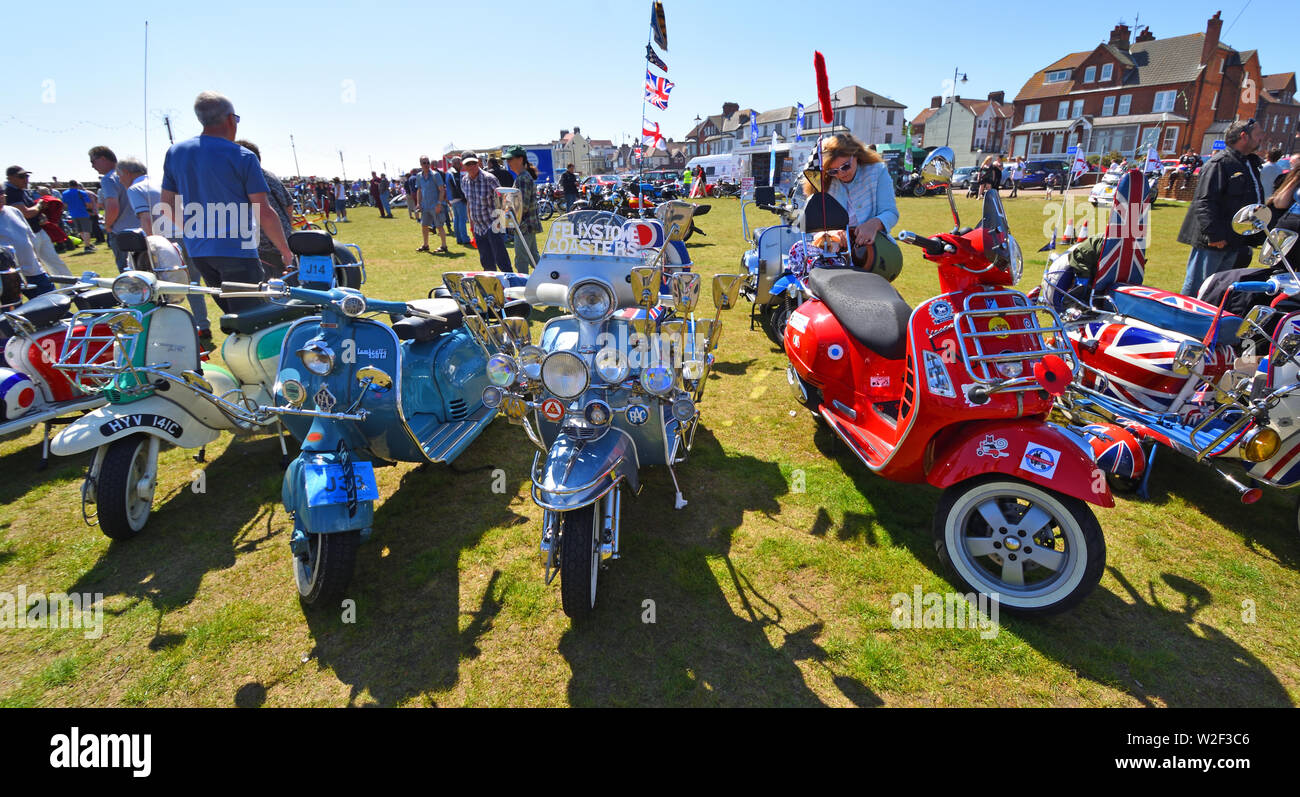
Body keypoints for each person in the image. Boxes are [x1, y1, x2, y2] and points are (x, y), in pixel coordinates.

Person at [159, 91, 292, 313]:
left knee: (232, 315)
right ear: (231, 119)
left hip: (201, 253)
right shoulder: (242, 156)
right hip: (237, 252)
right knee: (253, 318)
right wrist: (286, 252)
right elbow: (264, 212)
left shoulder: (175, 153)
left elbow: (167, 205)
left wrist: (194, 230)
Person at [118, 156, 213, 342]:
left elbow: (146, 219)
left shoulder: (135, 189)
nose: (120, 180)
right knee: (192, 283)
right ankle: (203, 325)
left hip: (165, 240)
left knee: (162, 286)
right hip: (189, 234)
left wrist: (149, 247)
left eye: (120, 175)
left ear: (128, 173)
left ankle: (172, 329)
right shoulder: (162, 183)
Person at [1176, 118, 1267, 296]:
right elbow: (1204, 201)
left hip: (1234, 237)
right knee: (1198, 285)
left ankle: (1207, 321)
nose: (1261, 138)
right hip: (1214, 240)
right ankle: (1184, 320)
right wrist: (1214, 234)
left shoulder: (1249, 164)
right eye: (1258, 134)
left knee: (1218, 287)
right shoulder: (1220, 163)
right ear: (1244, 136)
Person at [806, 133, 898, 263]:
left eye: (845, 166)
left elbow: (891, 213)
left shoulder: (877, 171)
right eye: (833, 171)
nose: (841, 173)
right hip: (834, 255)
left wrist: (875, 224)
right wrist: (831, 233)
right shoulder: (824, 181)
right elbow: (815, 223)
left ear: (855, 154)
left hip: (870, 255)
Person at [232, 139, 294, 279]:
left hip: (263, 247)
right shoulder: (271, 176)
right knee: (290, 286)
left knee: (269, 292)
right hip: (284, 240)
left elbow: (264, 212)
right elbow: (289, 205)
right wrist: (284, 230)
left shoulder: (245, 179)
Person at [4, 165, 70, 276]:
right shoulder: (10, 192)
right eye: (21, 176)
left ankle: (70, 287)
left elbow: (31, 211)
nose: (26, 179)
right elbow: (27, 213)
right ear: (10, 178)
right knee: (34, 268)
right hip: (26, 236)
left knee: (55, 262)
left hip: (38, 230)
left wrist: (40, 214)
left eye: (27, 176)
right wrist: (39, 205)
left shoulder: (22, 191)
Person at [460, 153, 510, 271]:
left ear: (478, 162)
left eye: (474, 163)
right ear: (464, 166)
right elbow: (469, 203)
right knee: (486, 263)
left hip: (493, 225)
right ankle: (492, 288)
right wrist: (472, 225)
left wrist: (500, 223)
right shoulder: (464, 181)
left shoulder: (489, 179)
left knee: (502, 261)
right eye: (468, 164)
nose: (472, 166)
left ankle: (510, 285)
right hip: (478, 228)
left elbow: (503, 201)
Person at [0, 189, 54, 298]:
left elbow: (29, 240)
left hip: (34, 271)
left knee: (54, 304)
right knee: (13, 311)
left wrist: (40, 265)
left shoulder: (14, 211)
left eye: (1, 192)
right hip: (8, 276)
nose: (1, 196)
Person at [504, 146, 540, 271]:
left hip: (524, 226)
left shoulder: (523, 178)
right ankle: (546, 280)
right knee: (533, 258)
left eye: (510, 159)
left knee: (521, 261)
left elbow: (521, 206)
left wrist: (507, 210)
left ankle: (524, 287)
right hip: (527, 225)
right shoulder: (522, 177)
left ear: (520, 159)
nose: (508, 163)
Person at [414, 156, 449, 254]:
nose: (426, 165)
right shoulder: (419, 176)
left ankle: (444, 246)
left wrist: (439, 204)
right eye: (424, 163)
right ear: (420, 164)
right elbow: (419, 190)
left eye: (427, 162)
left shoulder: (435, 175)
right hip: (425, 206)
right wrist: (418, 203)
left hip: (435, 205)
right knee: (424, 225)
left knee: (439, 226)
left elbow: (442, 190)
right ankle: (425, 245)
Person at [1266, 155, 1300, 235]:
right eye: (1290, 163)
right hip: (1289, 222)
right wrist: (1295, 178)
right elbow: (1280, 203)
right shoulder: (1296, 178)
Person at [61, 180, 96, 253]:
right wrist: (89, 210)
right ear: (77, 185)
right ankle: (87, 246)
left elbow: (65, 205)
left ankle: (88, 244)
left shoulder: (64, 193)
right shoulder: (81, 193)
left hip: (73, 214)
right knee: (86, 230)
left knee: (81, 231)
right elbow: (88, 204)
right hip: (83, 213)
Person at [445, 157, 470, 244]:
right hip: (458, 198)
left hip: (452, 199)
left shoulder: (449, 172)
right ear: (454, 163)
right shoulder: (454, 173)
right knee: (462, 219)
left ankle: (459, 239)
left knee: (457, 219)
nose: (461, 165)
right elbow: (457, 186)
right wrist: (464, 198)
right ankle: (464, 238)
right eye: (459, 163)